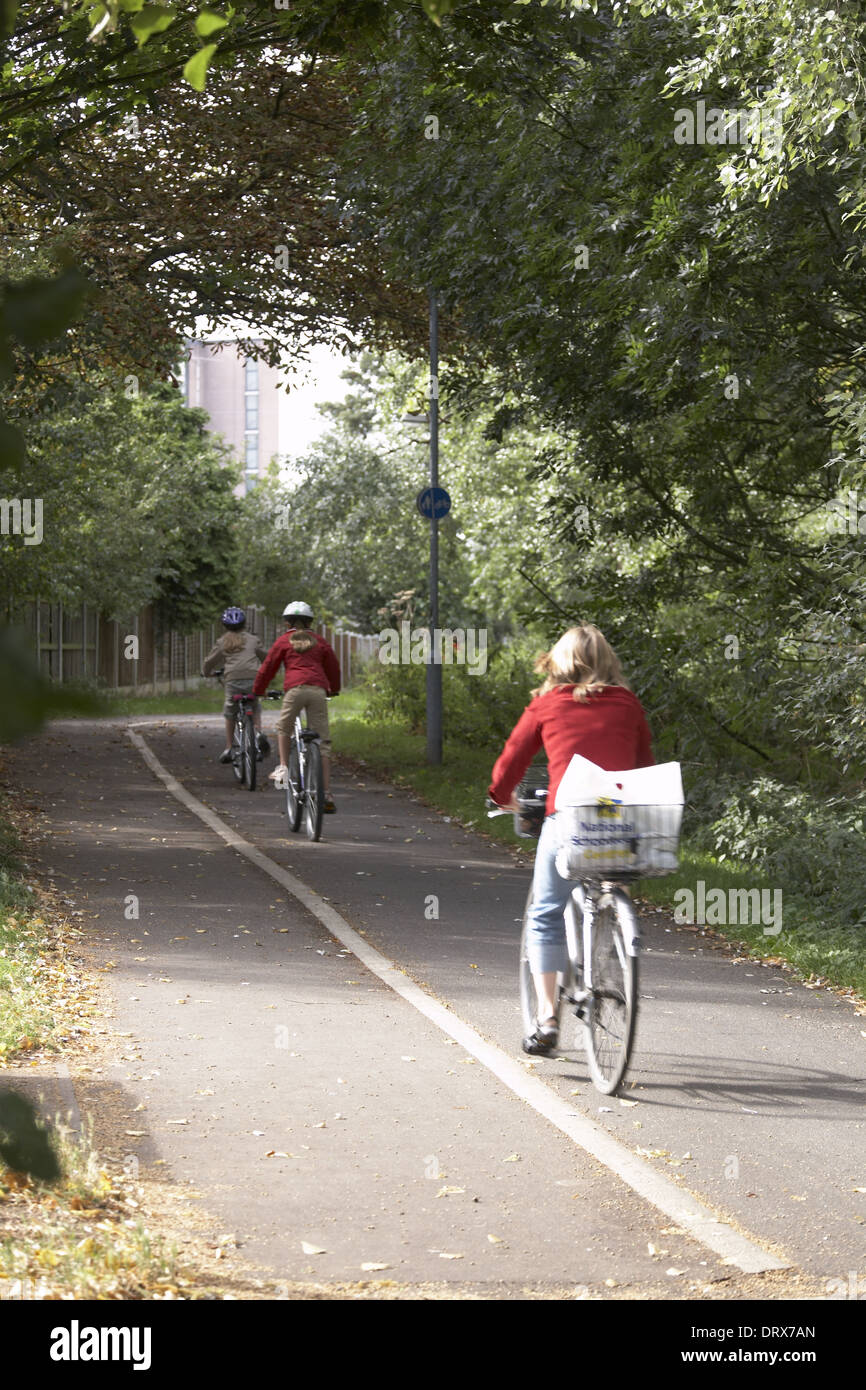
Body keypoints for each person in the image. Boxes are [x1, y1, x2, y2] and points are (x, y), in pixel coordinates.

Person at [488, 623, 654, 1056]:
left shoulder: (546, 704)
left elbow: (511, 760)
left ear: (558, 662)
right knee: (610, 881)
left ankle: (546, 1020)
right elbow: (644, 765)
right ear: (606, 662)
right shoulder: (628, 704)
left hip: (571, 823)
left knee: (544, 913)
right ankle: (613, 927)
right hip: (623, 822)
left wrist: (499, 796)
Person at [252, 601, 341, 813]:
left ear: (286, 622)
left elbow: (267, 668)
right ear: (310, 622)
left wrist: (258, 690)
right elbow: (333, 667)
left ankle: (283, 767)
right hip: (318, 691)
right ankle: (327, 793)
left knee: (284, 727)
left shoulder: (284, 641)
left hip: (294, 690)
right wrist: (333, 689)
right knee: (323, 742)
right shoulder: (320, 641)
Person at [201, 607, 270, 763]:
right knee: (254, 706)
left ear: (224, 626)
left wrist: (206, 673)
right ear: (245, 624)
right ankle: (258, 733)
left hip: (232, 680)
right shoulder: (253, 640)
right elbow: (266, 657)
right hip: (254, 678)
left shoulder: (222, 642)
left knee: (230, 712)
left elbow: (209, 662)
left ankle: (229, 748)